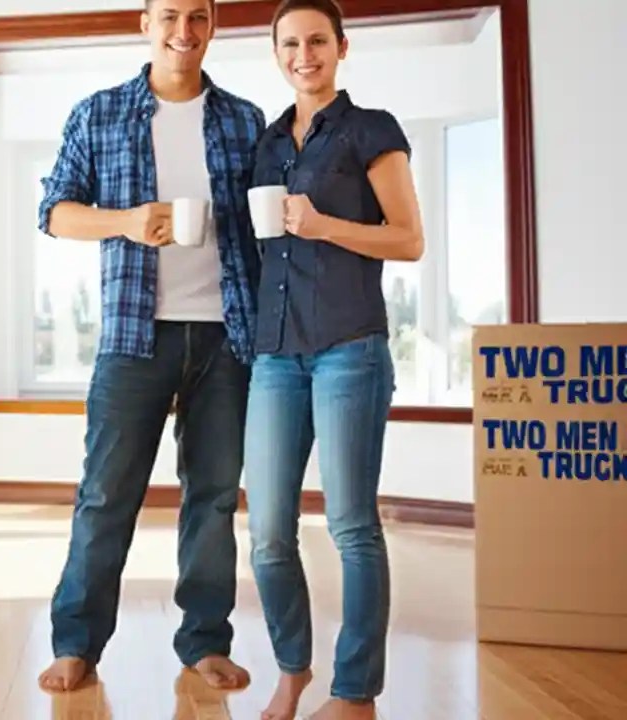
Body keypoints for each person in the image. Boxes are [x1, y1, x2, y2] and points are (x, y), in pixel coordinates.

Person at [35, 0, 266, 693]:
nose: (183, 31)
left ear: (213, 25)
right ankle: (77, 643)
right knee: (106, 495)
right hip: (135, 336)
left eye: (198, 16)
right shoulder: (99, 113)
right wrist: (127, 222)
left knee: (215, 495)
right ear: (145, 23)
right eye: (169, 15)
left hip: (228, 336)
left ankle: (204, 640)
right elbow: (54, 213)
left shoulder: (244, 120)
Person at [243, 1, 425, 719]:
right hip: (274, 357)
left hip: (350, 348)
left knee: (351, 524)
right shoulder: (265, 144)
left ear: (341, 47)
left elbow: (408, 239)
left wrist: (321, 224)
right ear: (276, 52)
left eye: (317, 40)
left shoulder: (370, 129)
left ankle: (355, 694)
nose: (303, 54)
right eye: (290, 42)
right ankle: (292, 671)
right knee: (265, 533)